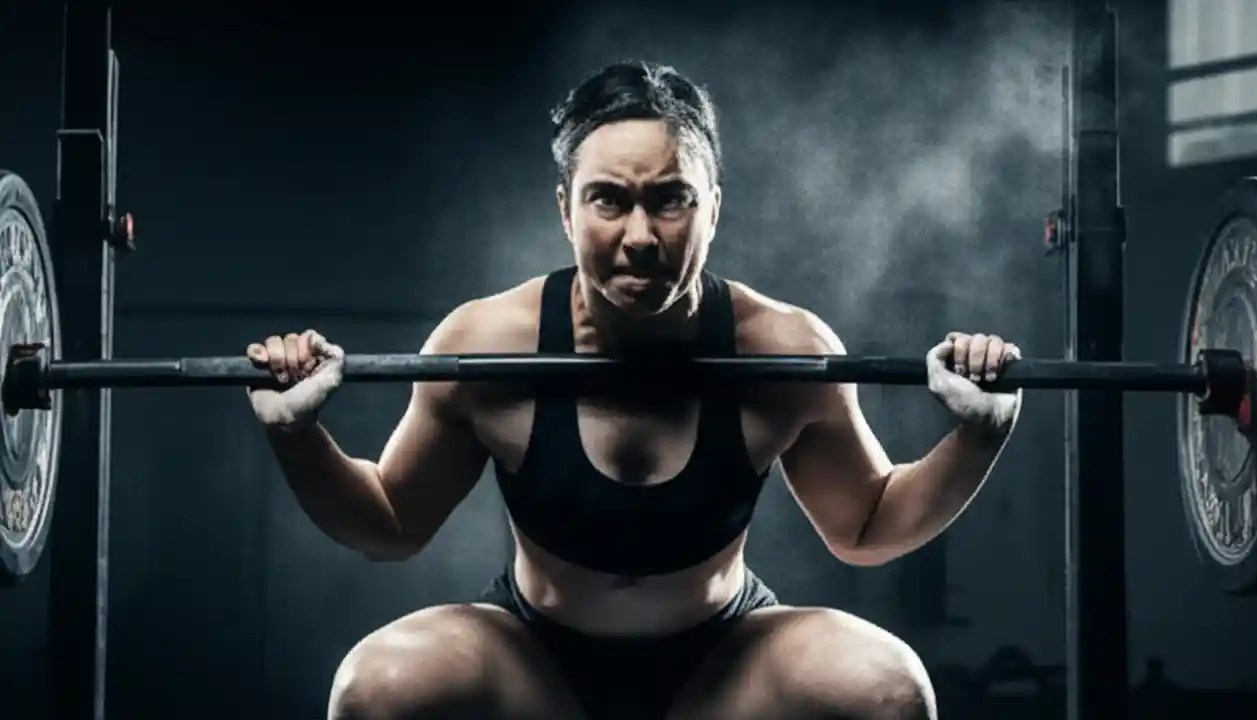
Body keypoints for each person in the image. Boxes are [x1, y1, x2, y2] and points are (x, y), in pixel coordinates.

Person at [246, 60, 1022, 720]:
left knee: (889, 690)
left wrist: (979, 435)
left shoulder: (786, 349)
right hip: (535, 664)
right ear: (566, 208)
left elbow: (868, 525)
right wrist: (296, 435)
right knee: (375, 688)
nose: (641, 236)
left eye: (671, 199)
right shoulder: (484, 344)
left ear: (713, 207)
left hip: (725, 663)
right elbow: (391, 523)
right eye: (609, 199)